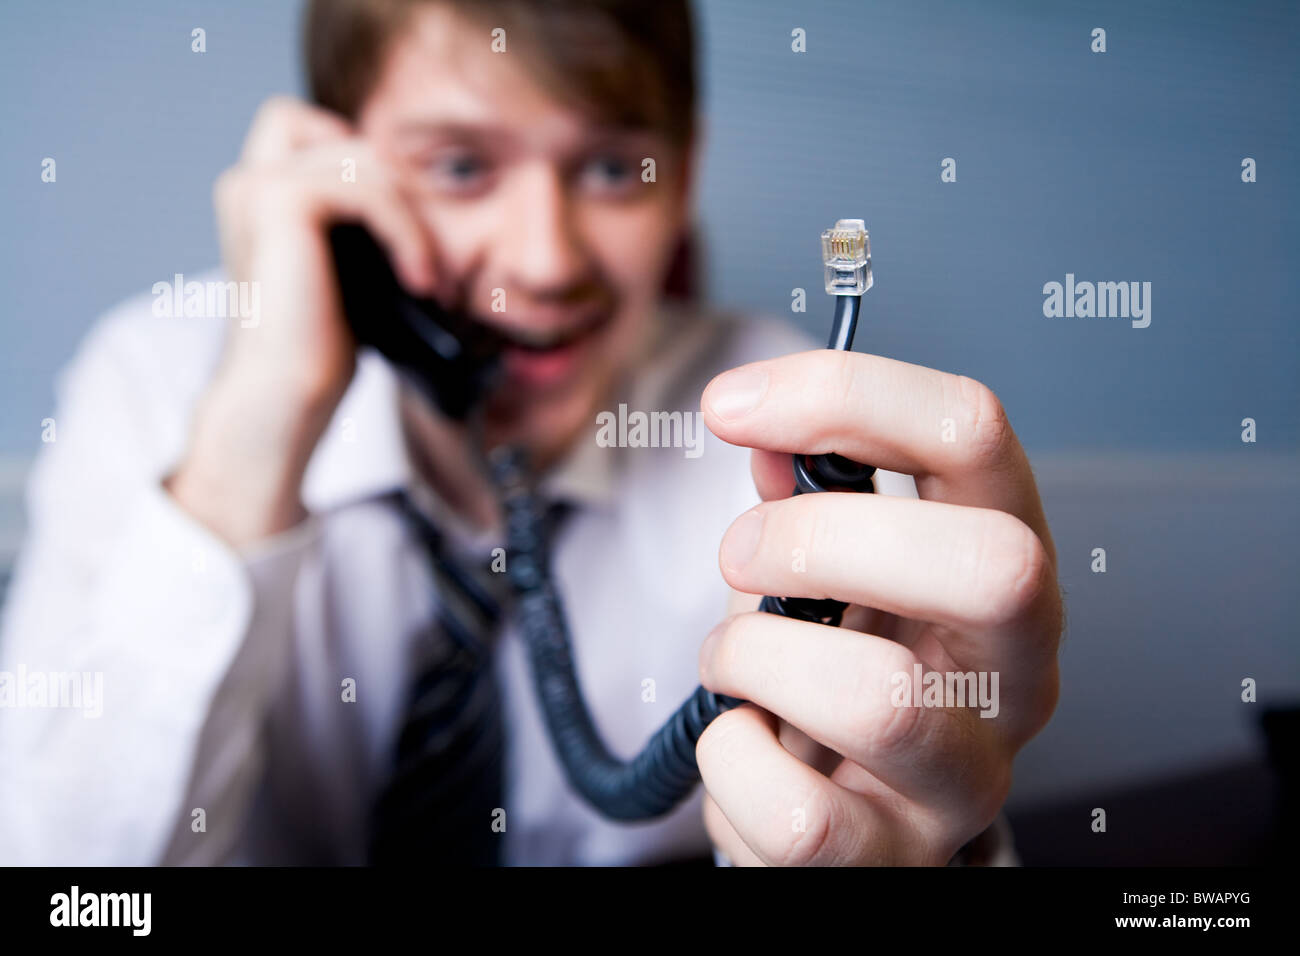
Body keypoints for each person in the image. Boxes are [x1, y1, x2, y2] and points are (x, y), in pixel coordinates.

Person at [0, 0, 1062, 866]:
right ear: (337, 177)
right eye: (460, 166)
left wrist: (908, 833)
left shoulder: (791, 442)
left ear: (682, 178)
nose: (547, 259)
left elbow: (862, 813)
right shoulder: (155, 381)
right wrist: (255, 434)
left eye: (609, 170)